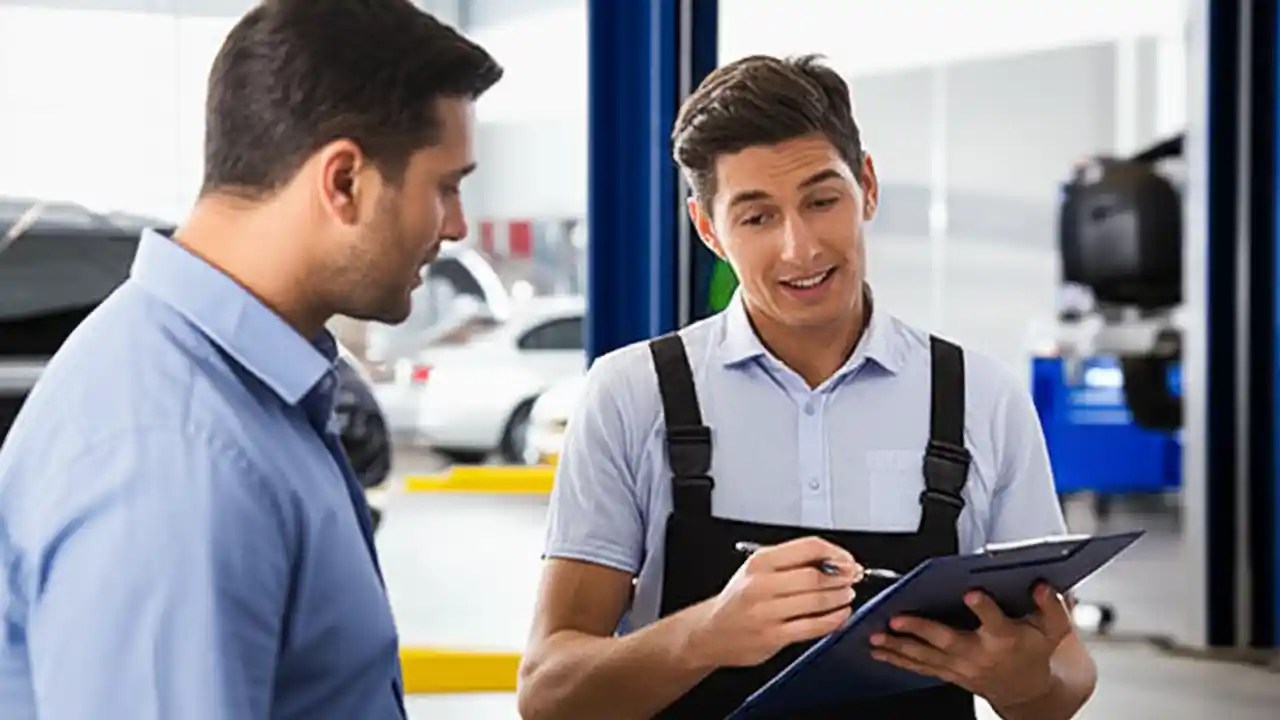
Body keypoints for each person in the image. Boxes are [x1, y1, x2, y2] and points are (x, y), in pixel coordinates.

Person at [516, 54, 1097, 720]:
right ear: (709, 229)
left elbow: (1065, 673)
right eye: (756, 217)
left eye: (822, 201)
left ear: (868, 187)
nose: (801, 248)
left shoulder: (980, 399)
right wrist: (707, 634)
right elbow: (549, 696)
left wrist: (1024, 686)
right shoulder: (631, 395)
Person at [0, 1, 500, 718]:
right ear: (344, 182)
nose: (456, 225)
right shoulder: (176, 455)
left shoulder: (237, 393)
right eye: (445, 186)